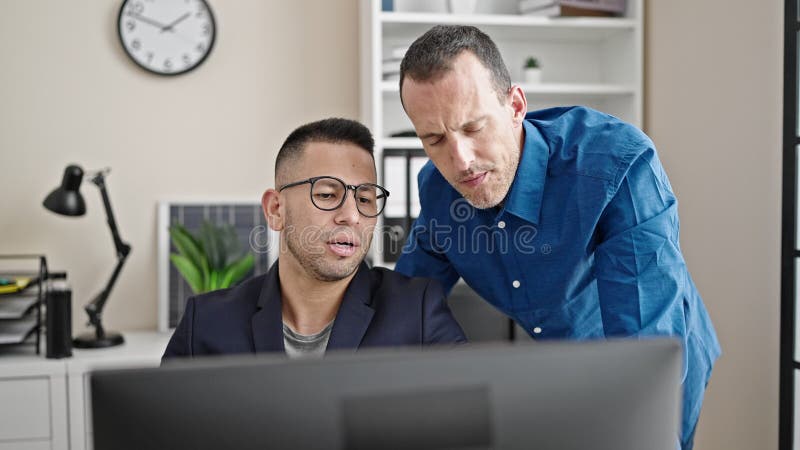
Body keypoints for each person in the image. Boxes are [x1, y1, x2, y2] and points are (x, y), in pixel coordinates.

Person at [394, 25, 720, 450]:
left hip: (652, 357)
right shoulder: (439, 190)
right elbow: (406, 306)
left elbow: (644, 350)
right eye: (434, 139)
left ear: (515, 106)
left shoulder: (616, 165)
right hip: (560, 364)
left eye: (473, 128)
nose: (461, 162)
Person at [163, 118, 466, 360]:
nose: (351, 215)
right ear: (275, 209)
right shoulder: (205, 323)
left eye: (364, 198)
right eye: (326, 194)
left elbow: (470, 420)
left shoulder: (418, 310)